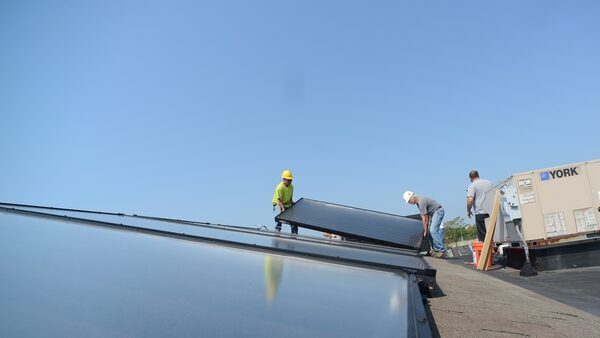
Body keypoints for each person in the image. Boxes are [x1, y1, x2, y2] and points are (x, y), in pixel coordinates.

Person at [403, 191, 446, 258]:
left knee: (433, 231)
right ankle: (435, 250)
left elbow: (424, 217)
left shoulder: (421, 202)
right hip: (433, 214)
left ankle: (441, 250)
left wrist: (425, 230)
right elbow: (427, 215)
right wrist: (426, 229)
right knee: (430, 232)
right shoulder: (418, 202)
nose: (409, 203)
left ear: (412, 197)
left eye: (409, 201)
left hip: (438, 211)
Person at [466, 170, 494, 241]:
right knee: (493, 234)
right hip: (492, 212)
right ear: (478, 175)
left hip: (480, 213)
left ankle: (488, 251)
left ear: (470, 178)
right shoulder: (489, 182)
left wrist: (468, 210)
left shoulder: (472, 185)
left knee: (484, 238)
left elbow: (470, 199)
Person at [272, 170, 298, 234]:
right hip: (278, 204)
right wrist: (283, 209)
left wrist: (292, 203)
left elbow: (290, 196)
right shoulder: (280, 187)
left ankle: (294, 234)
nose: (290, 181)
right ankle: (277, 232)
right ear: (284, 179)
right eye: (288, 180)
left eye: (291, 180)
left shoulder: (291, 187)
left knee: (293, 220)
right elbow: (279, 199)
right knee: (280, 217)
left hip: (287, 204)